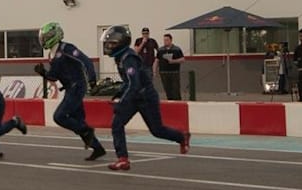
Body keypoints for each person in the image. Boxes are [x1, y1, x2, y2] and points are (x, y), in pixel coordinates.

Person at [102, 24, 189, 171]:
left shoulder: (129, 57)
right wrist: (119, 93)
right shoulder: (120, 57)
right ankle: (122, 159)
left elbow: (134, 84)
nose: (108, 46)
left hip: (146, 96)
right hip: (134, 96)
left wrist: (122, 102)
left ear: (120, 42)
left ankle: (182, 137)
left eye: (111, 43)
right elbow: (128, 83)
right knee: (117, 124)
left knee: (157, 130)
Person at [34, 21, 104, 160]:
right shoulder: (52, 55)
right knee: (78, 120)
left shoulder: (67, 48)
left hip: (77, 86)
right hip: (70, 88)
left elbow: (86, 61)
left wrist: (92, 79)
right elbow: (54, 77)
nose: (44, 39)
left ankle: (87, 132)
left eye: (47, 36)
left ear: (55, 35)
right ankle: (98, 148)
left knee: (59, 116)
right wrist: (43, 73)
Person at [156, 33, 184, 100]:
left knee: (175, 89)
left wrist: (173, 61)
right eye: (164, 40)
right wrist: (154, 70)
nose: (165, 41)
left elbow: (182, 59)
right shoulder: (160, 50)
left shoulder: (177, 49)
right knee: (167, 89)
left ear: (171, 40)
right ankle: (170, 101)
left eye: (167, 40)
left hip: (174, 72)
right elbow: (156, 60)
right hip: (164, 72)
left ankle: (177, 102)